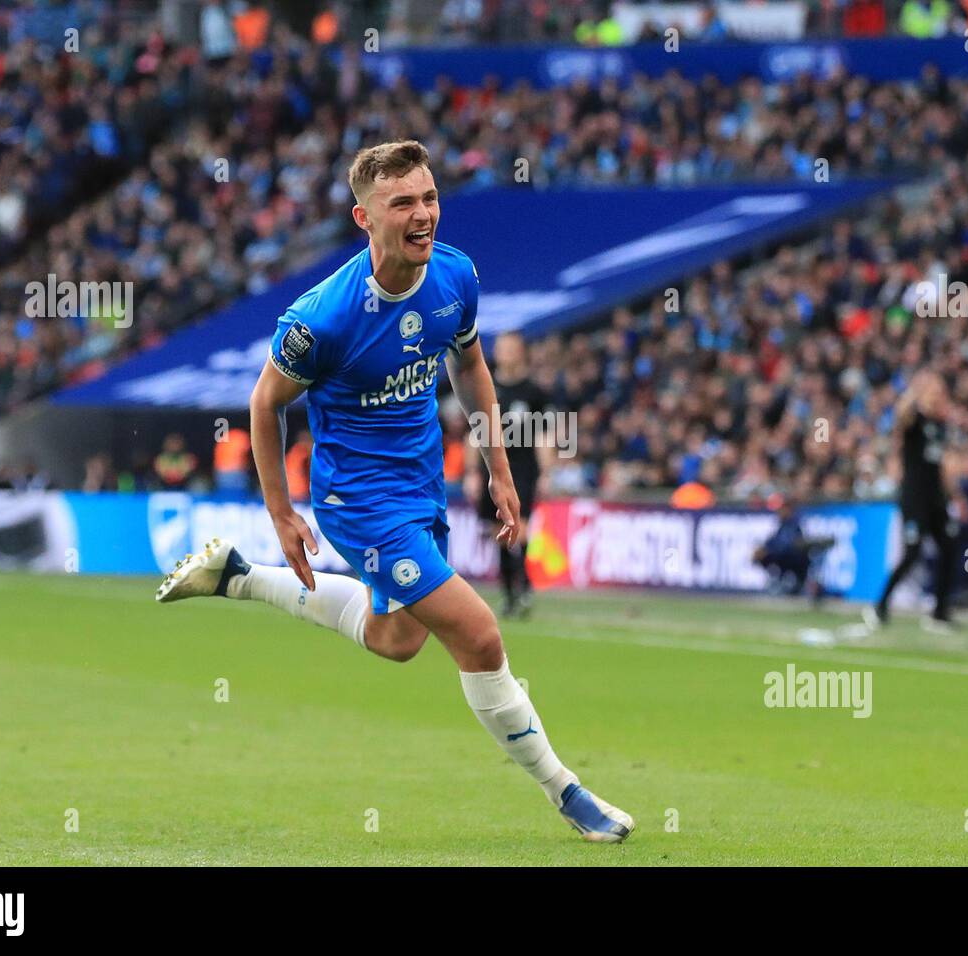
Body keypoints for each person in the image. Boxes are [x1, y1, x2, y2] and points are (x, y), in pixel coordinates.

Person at [155, 140, 633, 842]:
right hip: (358, 500)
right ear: (364, 217)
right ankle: (567, 792)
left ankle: (240, 579)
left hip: (421, 485)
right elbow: (264, 405)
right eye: (402, 203)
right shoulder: (323, 318)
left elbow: (469, 365)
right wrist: (281, 513)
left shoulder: (455, 277)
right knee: (478, 633)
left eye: (430, 198)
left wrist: (498, 465)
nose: (423, 214)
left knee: (398, 640)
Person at [466, 332, 552, 618]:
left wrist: (546, 473)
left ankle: (525, 584)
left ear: (521, 352)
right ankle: (509, 593)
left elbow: (543, 435)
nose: (506, 354)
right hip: (490, 467)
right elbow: (474, 432)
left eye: (511, 349)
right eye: (502, 349)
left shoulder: (534, 392)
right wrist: (471, 473)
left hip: (523, 468)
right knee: (498, 531)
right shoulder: (485, 385)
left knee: (522, 525)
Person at [865, 370, 958, 633]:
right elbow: (900, 416)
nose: (940, 397)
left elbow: (940, 464)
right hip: (914, 497)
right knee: (913, 552)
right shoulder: (913, 418)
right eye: (935, 391)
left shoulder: (940, 425)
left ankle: (939, 612)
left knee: (950, 547)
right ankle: (880, 604)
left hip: (935, 498)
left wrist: (953, 495)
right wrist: (915, 392)